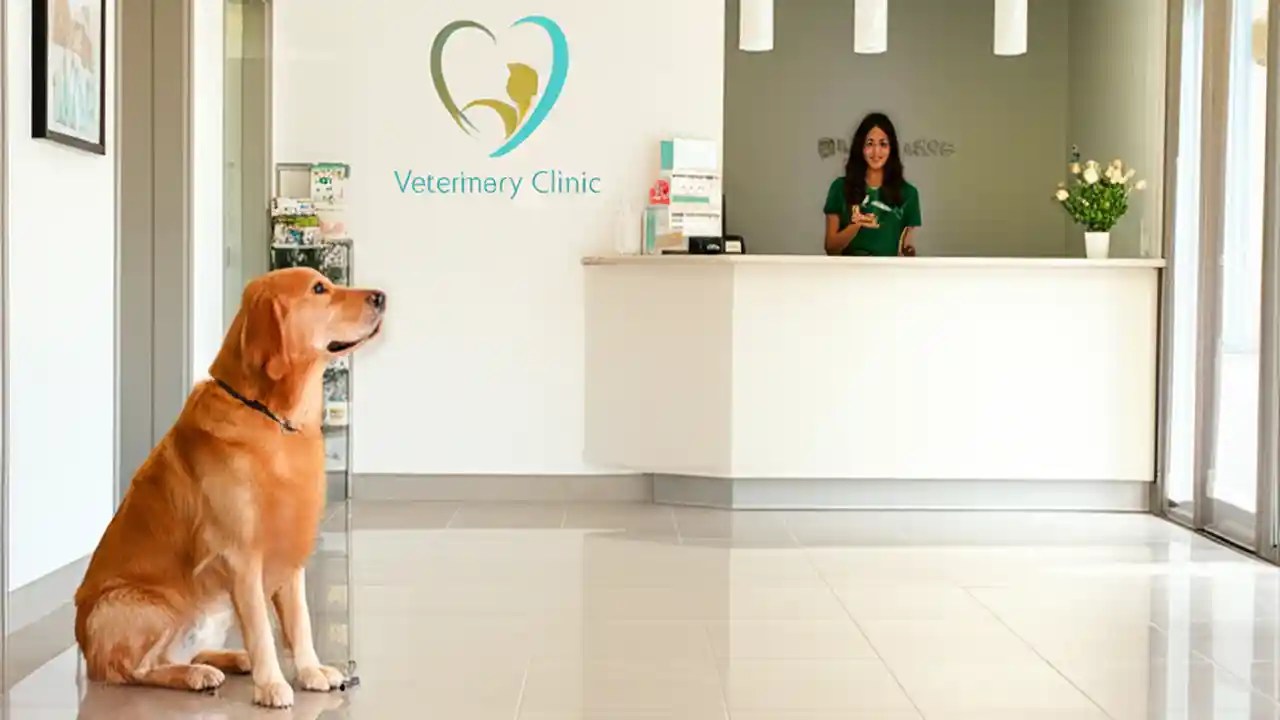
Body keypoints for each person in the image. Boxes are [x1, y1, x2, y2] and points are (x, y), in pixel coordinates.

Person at [823, 112, 922, 256]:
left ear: (891, 148)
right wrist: (856, 225)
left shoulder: (909, 194)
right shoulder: (840, 188)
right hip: (847, 274)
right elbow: (830, 248)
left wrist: (909, 254)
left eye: (883, 144)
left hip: (889, 275)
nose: (876, 152)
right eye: (869, 144)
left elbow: (906, 247)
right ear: (860, 147)